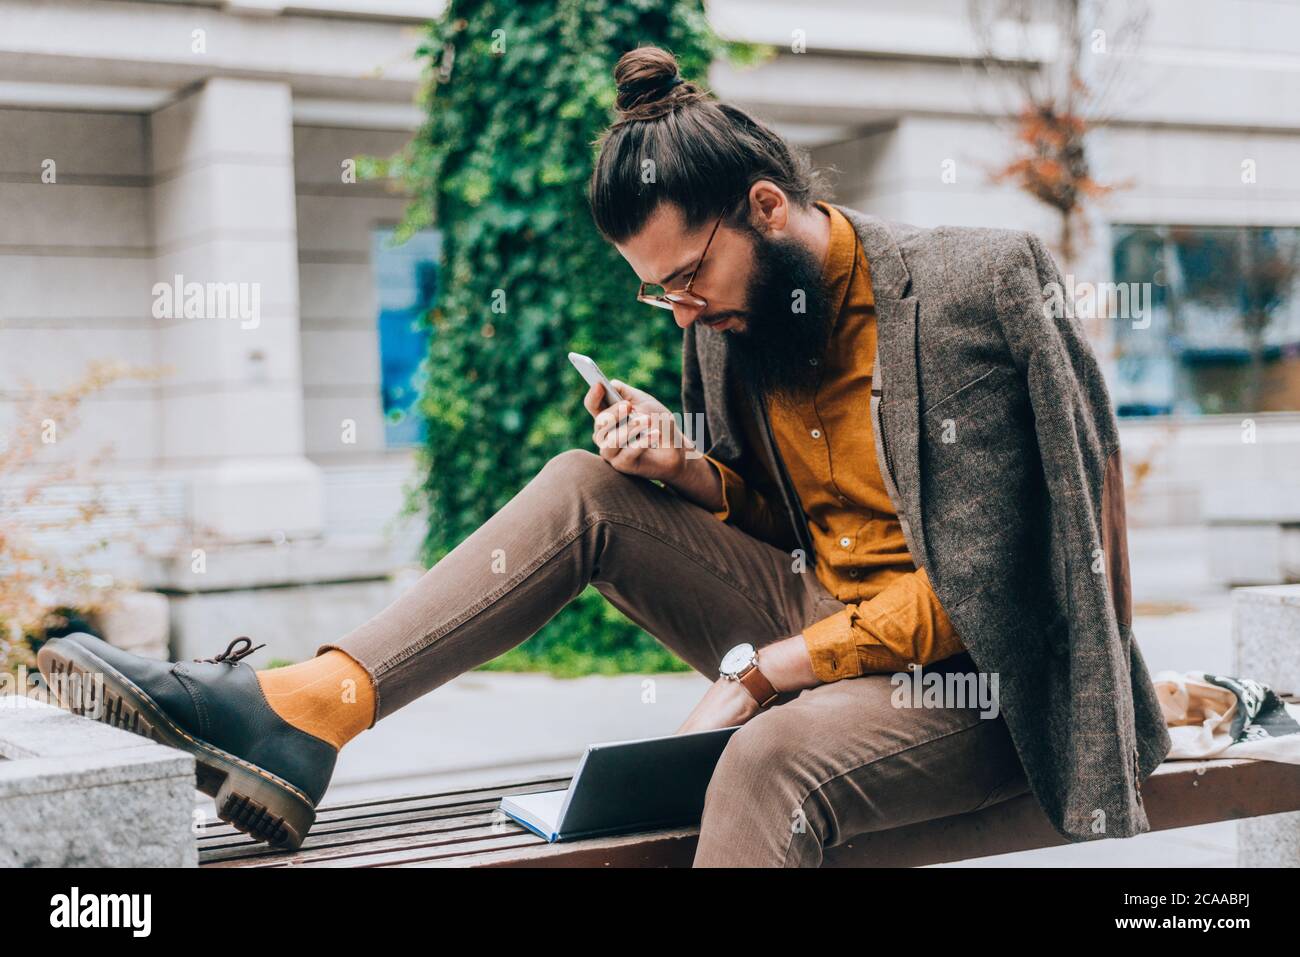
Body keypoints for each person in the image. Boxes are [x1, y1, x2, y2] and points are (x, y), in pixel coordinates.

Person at [37, 45, 1170, 867]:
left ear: (767, 206)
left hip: (977, 688)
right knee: (590, 486)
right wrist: (686, 472)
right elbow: (780, 521)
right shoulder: (743, 318)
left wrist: (762, 676)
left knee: (764, 765)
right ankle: (306, 707)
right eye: (654, 290)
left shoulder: (974, 287)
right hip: (826, 633)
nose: (676, 311)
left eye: (686, 278)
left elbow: (998, 591)